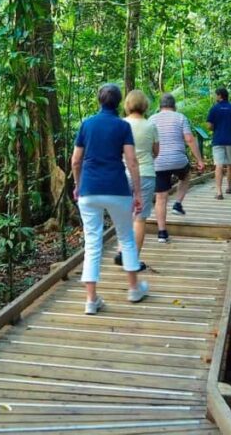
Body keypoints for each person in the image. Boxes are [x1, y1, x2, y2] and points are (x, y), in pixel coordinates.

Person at [71, 84, 149, 314]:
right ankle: (134, 288)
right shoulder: (122, 126)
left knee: (93, 243)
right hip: (116, 188)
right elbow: (132, 161)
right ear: (118, 103)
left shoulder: (87, 124)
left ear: (99, 101)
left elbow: (76, 160)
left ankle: (91, 300)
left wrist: (78, 185)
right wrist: (137, 192)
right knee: (126, 238)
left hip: (89, 190)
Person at [149, 93, 205, 243]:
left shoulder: (151, 119)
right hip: (178, 160)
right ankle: (178, 203)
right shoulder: (180, 117)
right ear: (174, 106)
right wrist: (199, 159)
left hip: (158, 162)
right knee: (186, 176)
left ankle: (162, 233)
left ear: (159, 107)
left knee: (161, 198)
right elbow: (189, 139)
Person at [114, 90, 159, 269]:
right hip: (146, 173)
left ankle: (120, 250)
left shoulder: (121, 124)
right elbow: (156, 152)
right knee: (140, 218)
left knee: (124, 215)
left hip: (123, 173)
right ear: (145, 105)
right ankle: (133, 259)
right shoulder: (150, 126)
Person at [206, 87, 231, 199]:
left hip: (218, 140)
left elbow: (209, 125)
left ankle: (218, 192)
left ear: (219, 96)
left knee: (219, 165)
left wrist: (215, 128)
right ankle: (229, 186)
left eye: (215, 95)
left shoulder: (214, 109)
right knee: (230, 164)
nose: (214, 97)